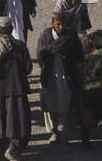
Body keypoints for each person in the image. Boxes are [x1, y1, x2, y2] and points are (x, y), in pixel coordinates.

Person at [0, 15, 32, 161]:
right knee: (19, 121)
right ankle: (14, 149)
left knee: (3, 120)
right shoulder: (19, 45)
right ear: (11, 29)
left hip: (0, 89)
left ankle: (3, 151)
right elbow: (28, 68)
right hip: (18, 88)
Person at [36, 12, 88, 145]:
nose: (61, 27)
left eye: (63, 24)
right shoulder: (45, 35)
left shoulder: (71, 36)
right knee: (49, 104)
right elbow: (40, 55)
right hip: (50, 75)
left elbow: (79, 56)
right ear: (53, 23)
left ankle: (67, 130)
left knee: (66, 103)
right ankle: (54, 131)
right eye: (58, 24)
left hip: (66, 75)